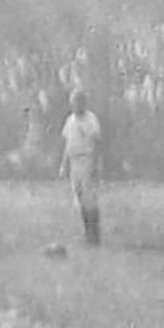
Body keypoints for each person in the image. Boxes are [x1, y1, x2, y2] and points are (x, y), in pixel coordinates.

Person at [61, 90, 105, 247]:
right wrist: (64, 164)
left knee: (90, 200)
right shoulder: (70, 121)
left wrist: (94, 165)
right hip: (75, 162)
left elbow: (97, 142)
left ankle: (94, 236)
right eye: (73, 102)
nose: (75, 106)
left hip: (87, 159)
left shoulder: (91, 120)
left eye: (78, 102)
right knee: (79, 200)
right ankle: (87, 234)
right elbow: (68, 144)